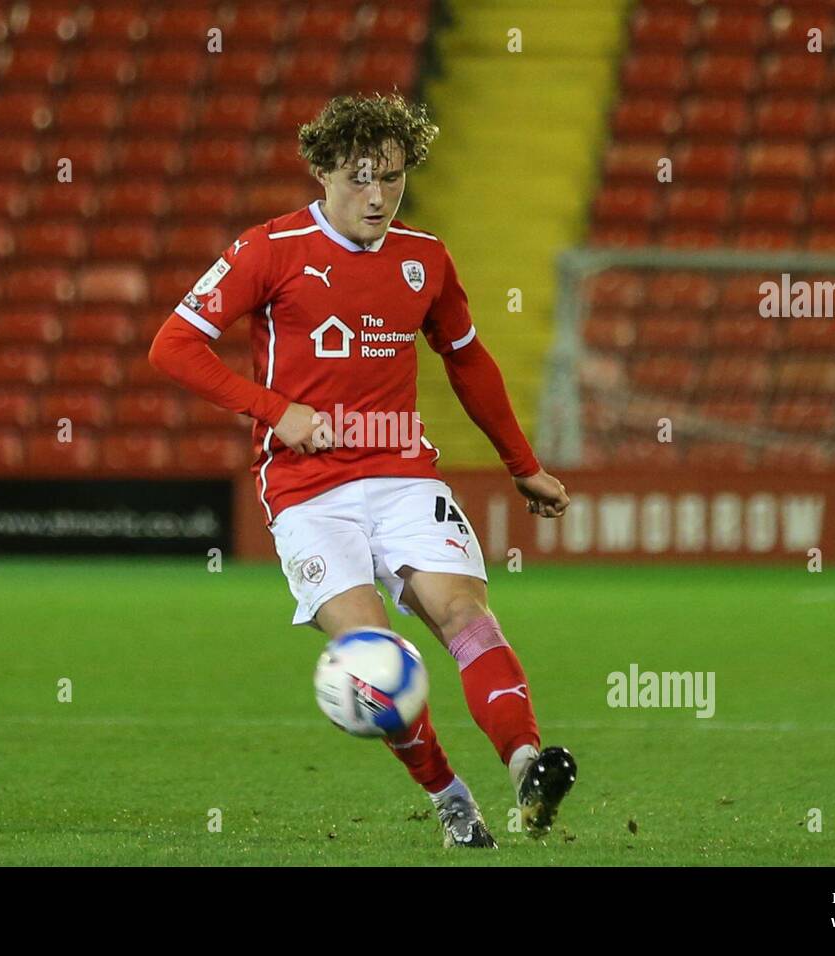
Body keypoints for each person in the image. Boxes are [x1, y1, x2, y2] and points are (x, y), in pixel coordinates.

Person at [149, 93, 575, 848]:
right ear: (321, 172)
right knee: (377, 665)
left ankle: (527, 768)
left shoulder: (426, 259)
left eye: (393, 178)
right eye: (359, 178)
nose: (377, 196)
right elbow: (174, 345)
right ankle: (452, 800)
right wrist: (273, 408)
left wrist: (523, 464)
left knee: (467, 617)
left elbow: (467, 360)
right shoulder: (268, 249)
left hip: (405, 475)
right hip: (308, 491)